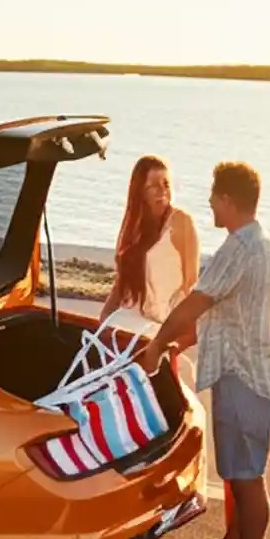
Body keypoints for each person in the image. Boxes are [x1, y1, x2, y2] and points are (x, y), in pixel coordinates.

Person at [138, 161, 270, 539]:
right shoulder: (267, 246)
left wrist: (156, 343)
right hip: (254, 374)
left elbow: (195, 304)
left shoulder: (238, 249)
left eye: (213, 195)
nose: (208, 202)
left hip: (245, 380)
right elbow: (226, 315)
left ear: (227, 200)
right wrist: (177, 346)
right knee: (240, 475)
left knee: (247, 478)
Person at [100, 155, 200, 385]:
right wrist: (103, 320)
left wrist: (179, 338)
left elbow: (191, 282)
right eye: (153, 186)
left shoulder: (181, 222)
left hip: (157, 326)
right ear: (140, 192)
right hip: (125, 320)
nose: (162, 191)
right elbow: (121, 282)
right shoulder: (133, 225)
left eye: (166, 184)